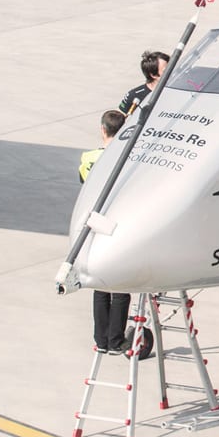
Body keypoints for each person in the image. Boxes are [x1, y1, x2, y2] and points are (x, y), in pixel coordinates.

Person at [80, 109, 133, 354]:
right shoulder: (127, 159)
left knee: (100, 284)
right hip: (119, 222)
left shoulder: (88, 158)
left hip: (94, 222)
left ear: (103, 129)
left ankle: (101, 340)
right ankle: (116, 340)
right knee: (120, 285)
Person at [120, 50, 171, 116]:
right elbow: (119, 119)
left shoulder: (179, 90)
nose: (173, 71)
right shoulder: (134, 95)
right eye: (167, 70)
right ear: (154, 75)